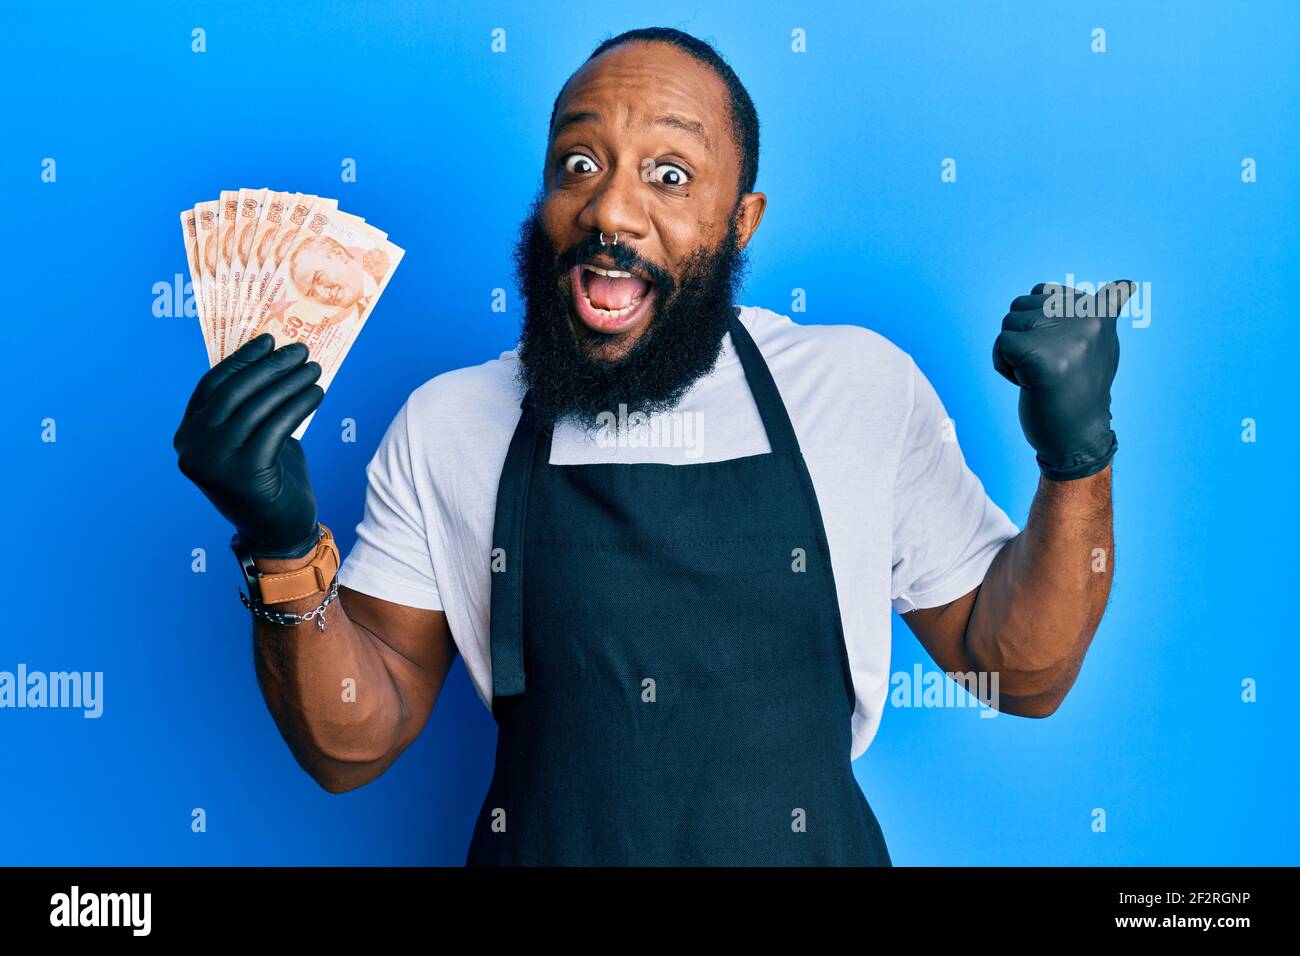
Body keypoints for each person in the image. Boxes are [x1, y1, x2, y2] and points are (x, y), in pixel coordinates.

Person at [173, 27, 1129, 866]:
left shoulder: (857, 389)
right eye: (578, 165)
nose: (610, 212)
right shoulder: (448, 422)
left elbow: (1020, 671)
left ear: (739, 221)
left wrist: (1076, 458)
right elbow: (353, 745)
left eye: (669, 175)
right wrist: (282, 547)